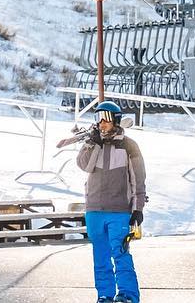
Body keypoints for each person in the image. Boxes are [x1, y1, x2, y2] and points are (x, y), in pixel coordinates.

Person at [76, 100, 147, 303]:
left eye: (106, 118)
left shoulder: (128, 146)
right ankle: (105, 295)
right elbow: (84, 166)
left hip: (119, 210)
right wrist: (94, 143)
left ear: (115, 120)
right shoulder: (92, 143)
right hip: (94, 210)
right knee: (100, 256)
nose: (102, 123)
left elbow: (138, 179)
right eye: (98, 118)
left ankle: (127, 295)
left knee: (120, 253)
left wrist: (138, 209)